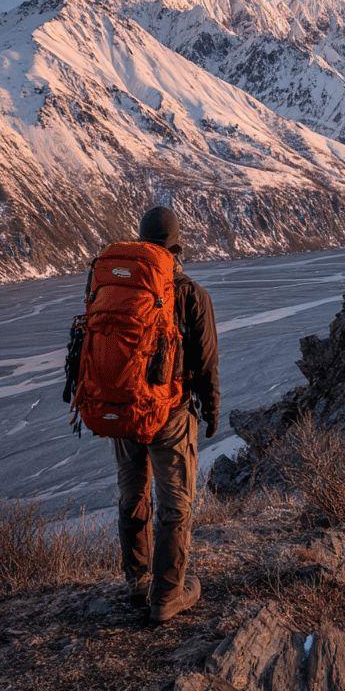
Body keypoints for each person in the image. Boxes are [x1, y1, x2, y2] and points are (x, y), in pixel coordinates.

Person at [112, 205, 220, 623]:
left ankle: (137, 582)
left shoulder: (121, 287)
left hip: (124, 409)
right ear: (177, 245)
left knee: (132, 495)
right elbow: (207, 361)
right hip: (170, 414)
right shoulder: (190, 293)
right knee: (175, 506)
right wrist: (211, 410)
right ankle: (167, 596)